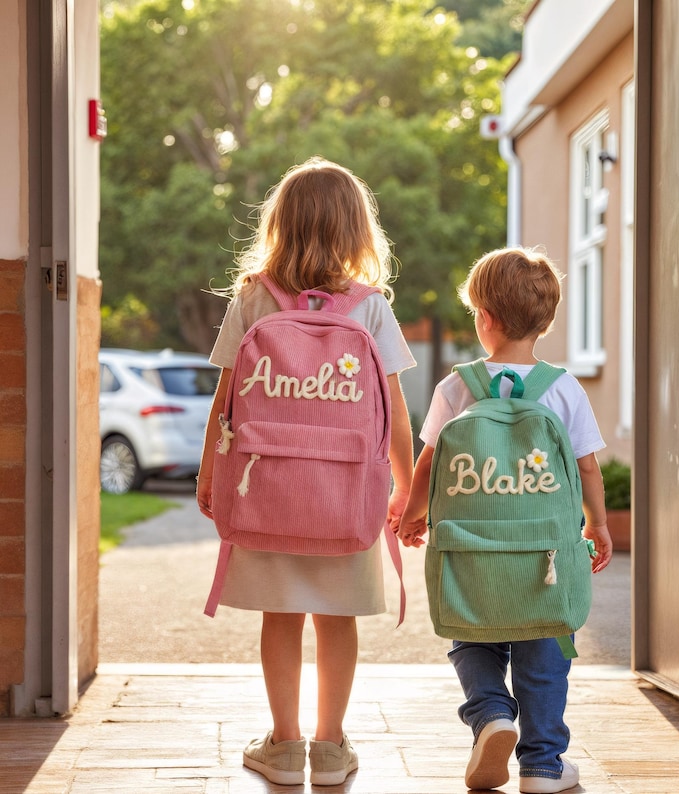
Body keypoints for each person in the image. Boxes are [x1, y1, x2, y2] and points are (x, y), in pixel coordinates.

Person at [196, 157, 415, 787]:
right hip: (345, 497)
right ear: (357, 230)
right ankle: (331, 745)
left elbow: (226, 398)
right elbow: (395, 412)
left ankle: (285, 745)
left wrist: (212, 473)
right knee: (336, 618)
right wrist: (402, 488)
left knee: (281, 616)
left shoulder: (254, 296)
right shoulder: (370, 307)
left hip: (266, 492)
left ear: (280, 224)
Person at [398, 246, 612, 794]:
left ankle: (492, 711)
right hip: (545, 560)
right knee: (546, 647)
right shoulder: (564, 389)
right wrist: (598, 527)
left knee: (470, 636)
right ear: (545, 320)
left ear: (485, 319)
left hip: (471, 552)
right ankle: (542, 766)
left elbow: (428, 463)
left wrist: (413, 515)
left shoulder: (457, 387)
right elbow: (587, 469)